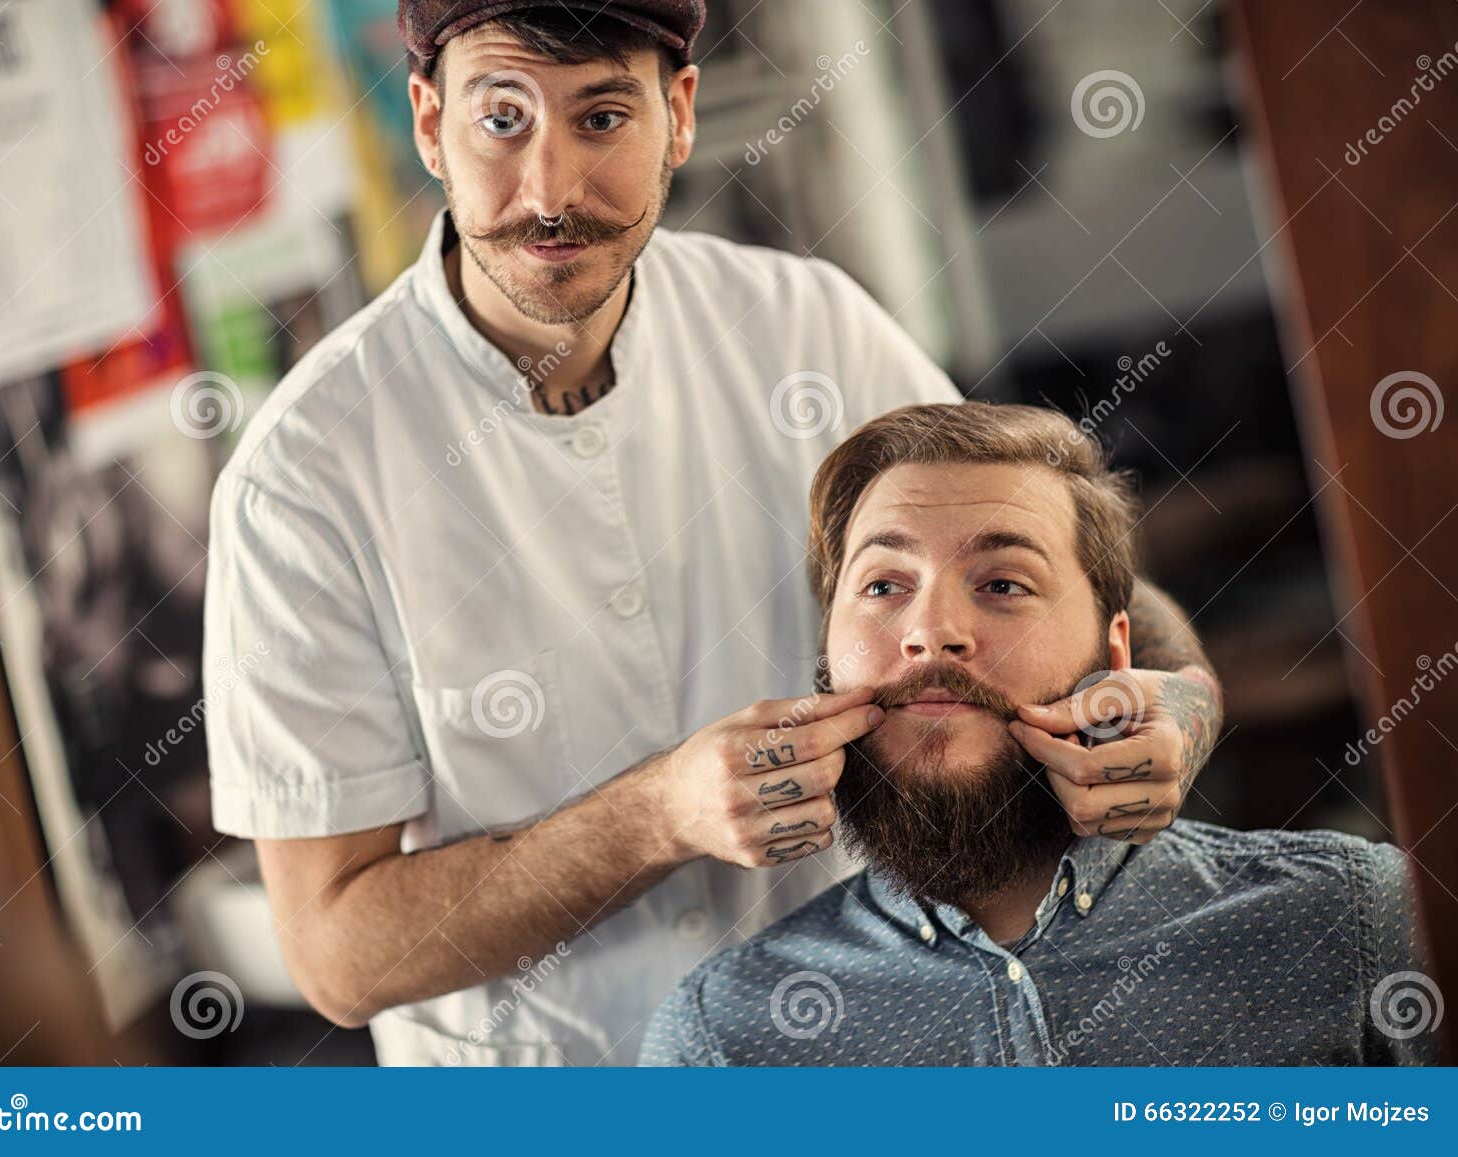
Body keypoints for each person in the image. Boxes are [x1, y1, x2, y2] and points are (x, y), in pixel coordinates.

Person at [204, 1, 1224, 1066]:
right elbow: (339, 955)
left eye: (602, 118)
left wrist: (1181, 705)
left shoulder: (805, 327)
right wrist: (656, 814)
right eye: (501, 120)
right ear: (428, 123)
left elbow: (1064, 586)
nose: (549, 191)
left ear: (679, 114)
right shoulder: (304, 476)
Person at [640, 402, 1435, 1066]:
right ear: (826, 656)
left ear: (1116, 655)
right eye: (883, 585)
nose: (932, 631)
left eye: (1002, 583)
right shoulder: (721, 1043)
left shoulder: (1358, 924)